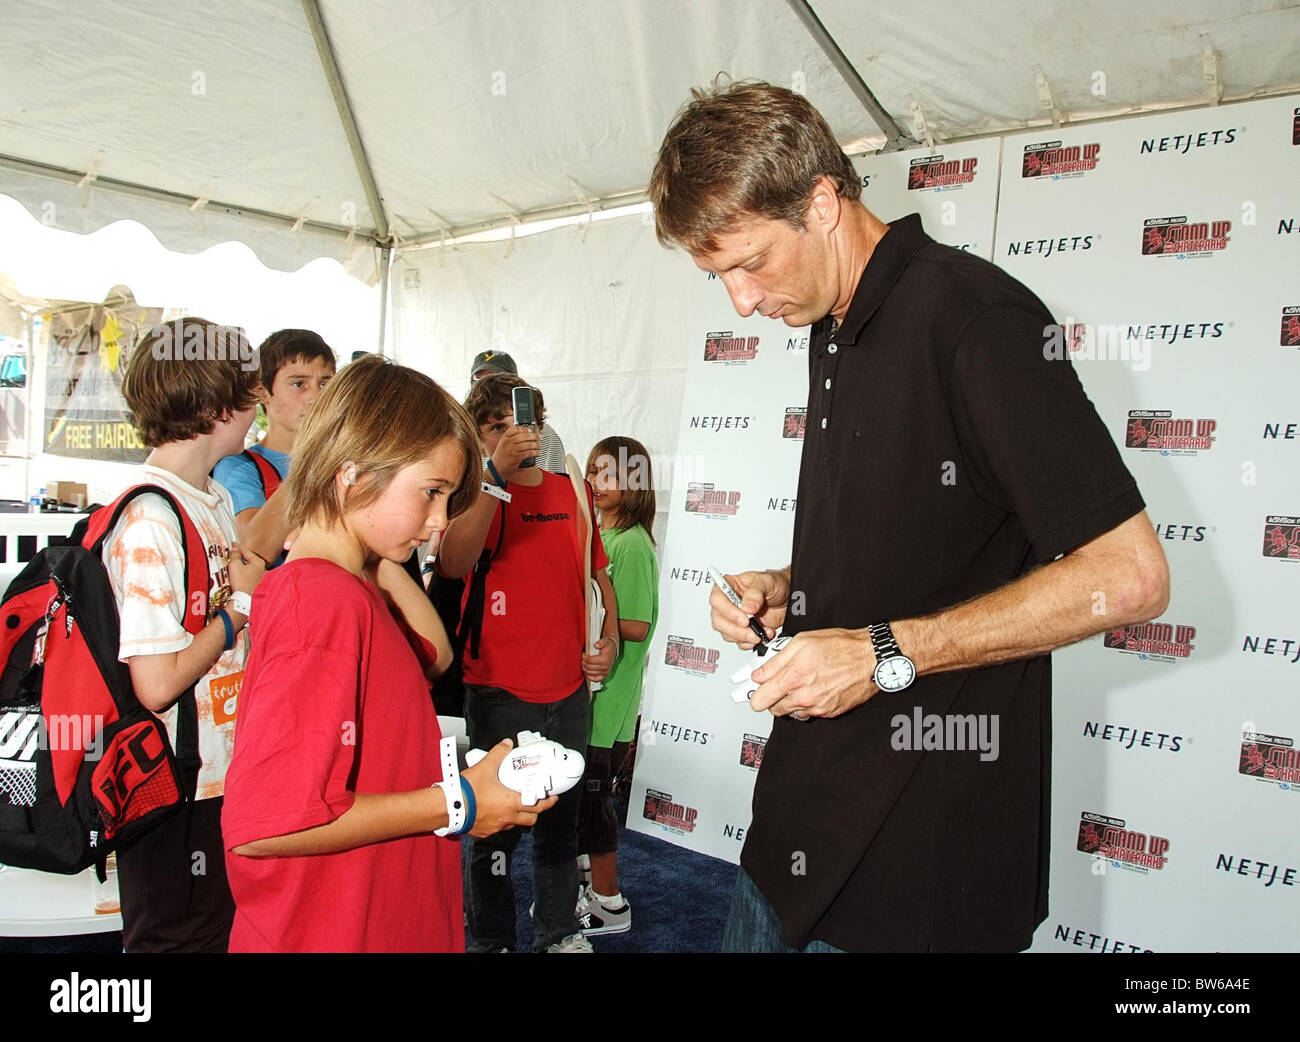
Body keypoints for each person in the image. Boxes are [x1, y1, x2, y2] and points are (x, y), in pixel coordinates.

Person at [650, 81, 1171, 953]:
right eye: (718, 278)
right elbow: (920, 537)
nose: (741, 302)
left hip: (921, 874)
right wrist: (790, 586)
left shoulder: (976, 320)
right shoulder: (831, 319)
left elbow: (1130, 577)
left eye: (749, 264)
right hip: (794, 833)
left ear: (821, 202)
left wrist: (882, 654)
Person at [221, 356, 555, 952]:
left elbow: (433, 656)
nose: (435, 524)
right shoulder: (320, 599)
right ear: (351, 473)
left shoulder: (347, 584)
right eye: (430, 493)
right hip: (336, 927)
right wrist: (462, 800)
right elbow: (269, 823)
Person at [437, 373, 619, 953]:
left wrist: (609, 640)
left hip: (568, 691)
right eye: (496, 428)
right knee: (494, 832)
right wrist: (492, 474)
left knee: (560, 828)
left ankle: (559, 934)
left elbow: (598, 577)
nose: (514, 436)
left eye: (521, 424)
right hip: (497, 690)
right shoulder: (474, 495)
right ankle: (492, 941)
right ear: (477, 436)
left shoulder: (573, 492)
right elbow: (451, 563)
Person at [102, 317, 266, 952]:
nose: (257, 405)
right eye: (247, 392)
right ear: (211, 405)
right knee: (175, 941)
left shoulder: (213, 499)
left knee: (218, 931)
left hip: (223, 771)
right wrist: (237, 613)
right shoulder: (149, 515)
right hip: (173, 782)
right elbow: (156, 682)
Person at [575, 436, 659, 936]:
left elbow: (637, 625)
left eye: (610, 474)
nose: (597, 482)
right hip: (597, 702)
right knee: (586, 799)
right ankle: (590, 878)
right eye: (592, 471)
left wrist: (584, 620)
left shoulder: (629, 544)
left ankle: (609, 902)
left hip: (609, 708)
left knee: (593, 800)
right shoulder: (607, 539)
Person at [212, 328, 335, 566]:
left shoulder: (344, 461)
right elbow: (255, 549)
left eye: (324, 384)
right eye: (299, 384)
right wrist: (315, 459)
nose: (315, 397)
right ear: (262, 392)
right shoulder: (239, 467)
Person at [469, 350, 568, 473]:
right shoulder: (464, 435)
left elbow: (555, 482)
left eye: (496, 378)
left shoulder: (544, 434)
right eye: (479, 379)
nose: (488, 386)